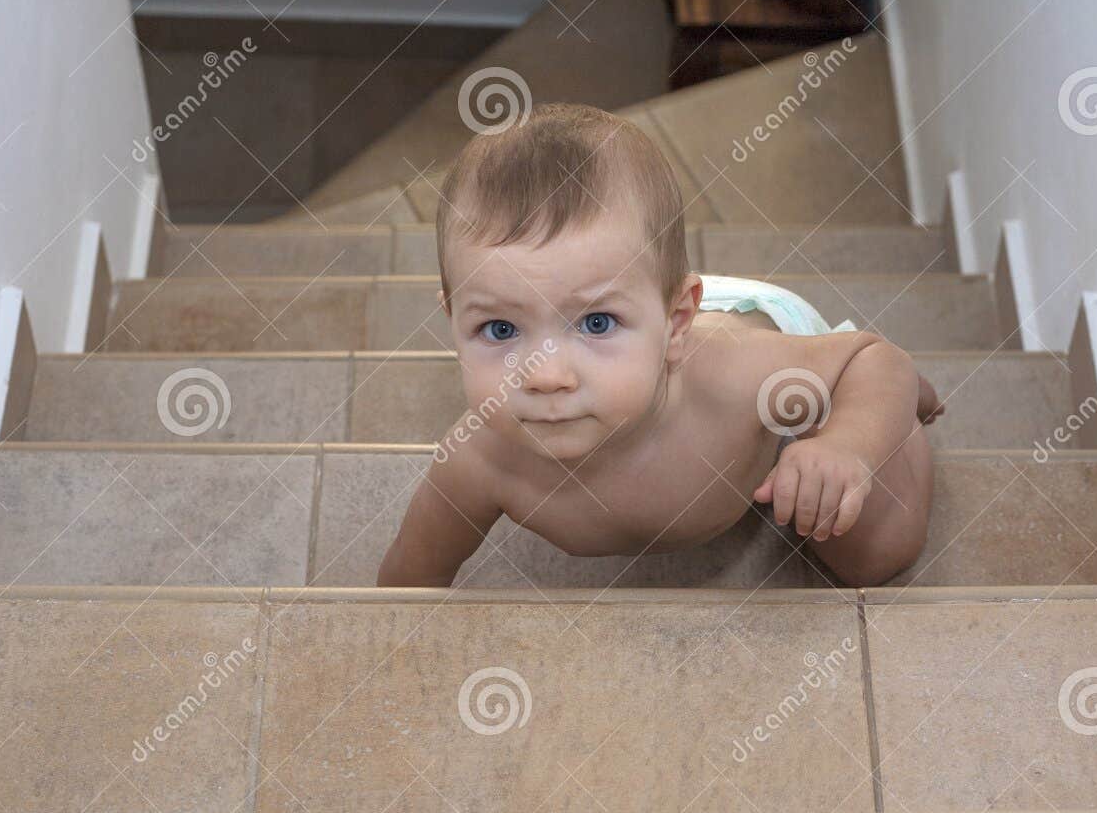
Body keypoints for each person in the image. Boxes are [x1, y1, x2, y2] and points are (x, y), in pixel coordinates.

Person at [376, 103, 941, 588]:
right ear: (453, 323)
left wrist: (850, 444)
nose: (545, 376)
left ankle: (904, 408)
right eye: (500, 330)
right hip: (638, 298)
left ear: (677, 324)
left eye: (595, 326)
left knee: (875, 553)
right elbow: (403, 587)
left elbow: (875, 358)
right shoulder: (475, 462)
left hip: (754, 329)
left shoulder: (735, 381)